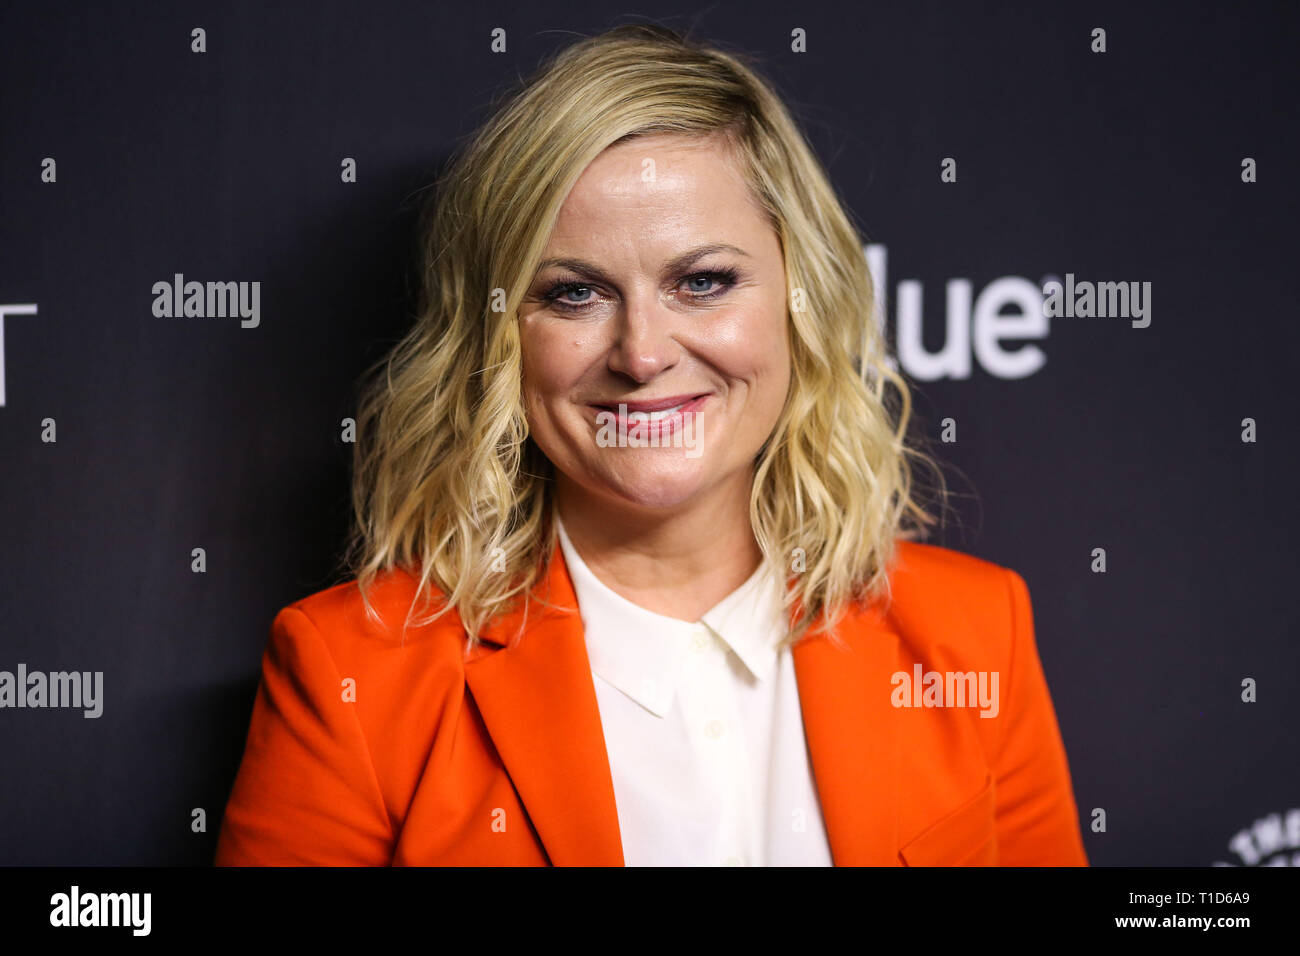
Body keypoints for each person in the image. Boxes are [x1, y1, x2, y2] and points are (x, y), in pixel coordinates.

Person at [214, 23, 1088, 866]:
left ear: (802, 297)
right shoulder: (351, 676)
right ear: (496, 337)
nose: (642, 353)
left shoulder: (976, 636)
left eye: (703, 282)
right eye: (573, 294)